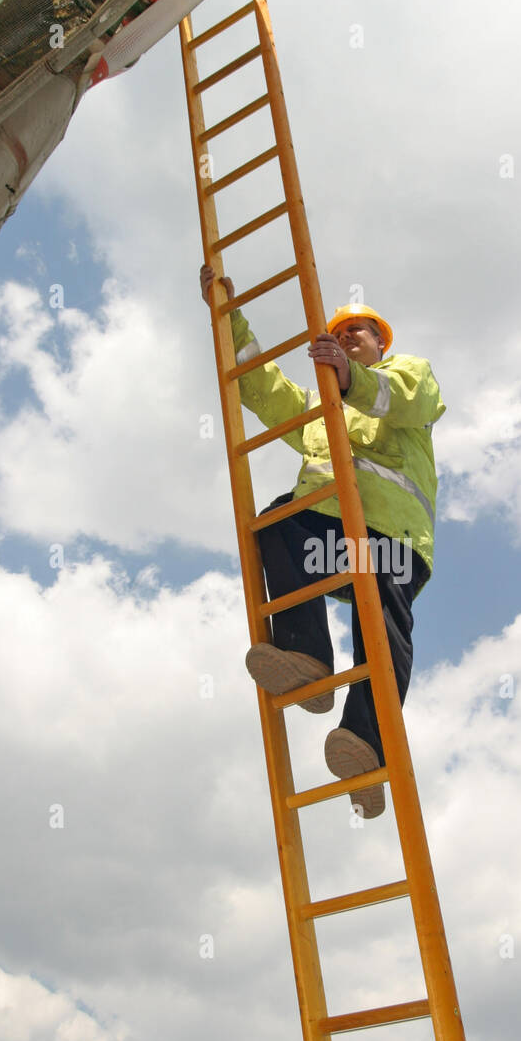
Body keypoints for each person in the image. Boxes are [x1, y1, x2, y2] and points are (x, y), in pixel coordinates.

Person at [200, 265, 445, 818]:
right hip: (336, 532)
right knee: (279, 520)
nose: (343, 340)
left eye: (355, 332)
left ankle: (368, 742)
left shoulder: (406, 373)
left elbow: (408, 397)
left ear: (380, 341)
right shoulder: (322, 413)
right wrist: (227, 317)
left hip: (393, 537)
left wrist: (351, 379)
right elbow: (263, 390)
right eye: (335, 337)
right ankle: (306, 652)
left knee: (380, 623)